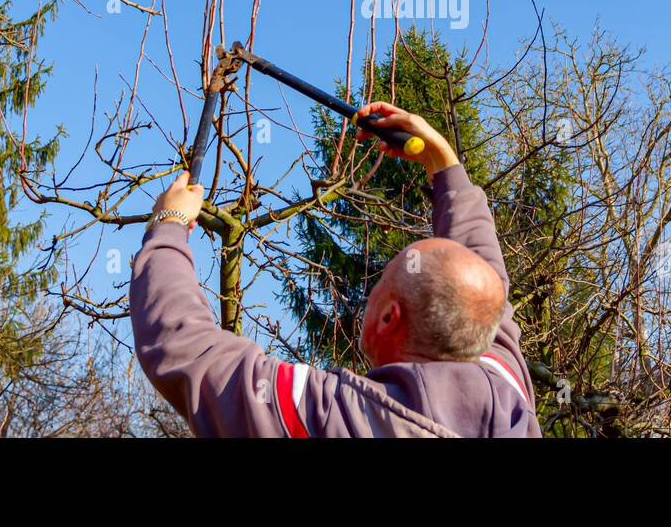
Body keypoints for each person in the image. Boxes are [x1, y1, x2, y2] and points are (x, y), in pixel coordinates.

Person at [129, 101, 541, 437]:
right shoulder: (506, 394)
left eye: (385, 278)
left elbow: (190, 355)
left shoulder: (346, 418)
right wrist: (443, 162)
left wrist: (169, 225)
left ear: (388, 316)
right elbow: (484, 285)